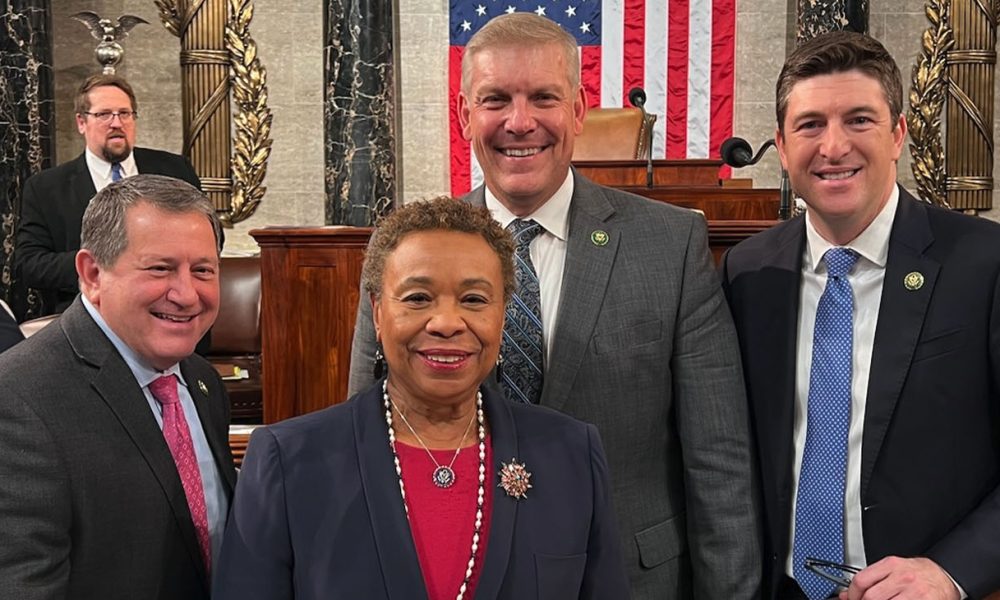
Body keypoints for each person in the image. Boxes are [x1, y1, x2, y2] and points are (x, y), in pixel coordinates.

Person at [348, 13, 760, 599]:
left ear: (578, 109)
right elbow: (364, 436)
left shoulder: (671, 245)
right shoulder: (406, 251)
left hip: (627, 580)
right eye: (496, 100)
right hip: (447, 574)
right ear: (464, 115)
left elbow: (719, 459)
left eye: (543, 97)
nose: (520, 122)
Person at [213, 198, 630, 599]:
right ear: (378, 312)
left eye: (474, 299)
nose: (447, 323)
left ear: (502, 314)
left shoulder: (571, 454)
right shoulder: (288, 461)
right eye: (417, 298)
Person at [722, 31, 1000, 600]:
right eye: (810, 125)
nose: (833, 146)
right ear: (781, 144)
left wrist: (951, 572)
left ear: (897, 134)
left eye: (859, 120)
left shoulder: (984, 264)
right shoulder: (747, 273)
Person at [0, 174, 236, 599]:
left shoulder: (203, 380)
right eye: (161, 268)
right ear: (92, 274)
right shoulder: (17, 399)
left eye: (203, 270)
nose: (187, 294)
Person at [16, 73, 201, 318]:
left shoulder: (175, 170)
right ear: (81, 122)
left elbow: (210, 236)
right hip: (87, 314)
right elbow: (29, 264)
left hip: (170, 306)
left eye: (124, 114)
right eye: (104, 114)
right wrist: (103, 264)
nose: (116, 123)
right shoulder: (46, 188)